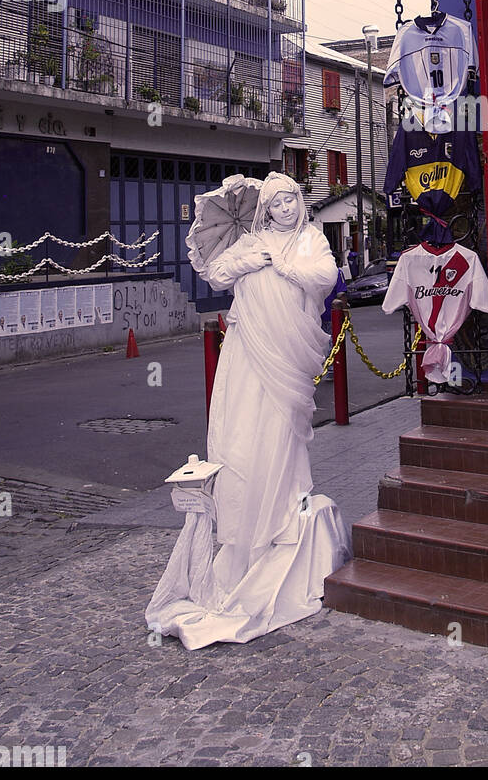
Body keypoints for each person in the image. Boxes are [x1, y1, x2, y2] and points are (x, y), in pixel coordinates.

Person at [145, 172, 351, 649]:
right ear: (266, 209)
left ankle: (284, 512)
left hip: (288, 355)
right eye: (277, 203)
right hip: (247, 353)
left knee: (284, 431)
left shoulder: (311, 240)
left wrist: (285, 268)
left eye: (291, 200)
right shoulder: (253, 241)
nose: (285, 209)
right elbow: (215, 273)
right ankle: (248, 522)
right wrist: (248, 262)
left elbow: (325, 276)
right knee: (245, 432)